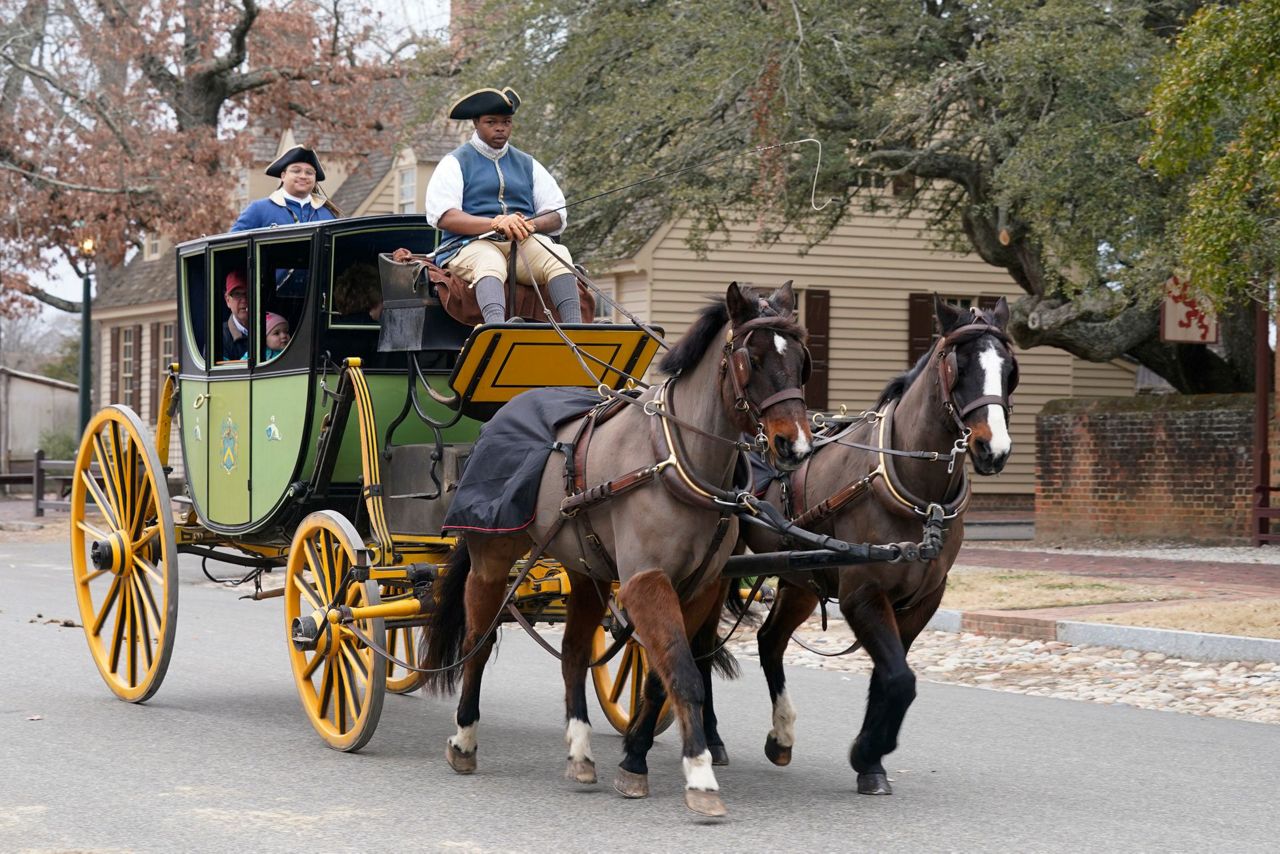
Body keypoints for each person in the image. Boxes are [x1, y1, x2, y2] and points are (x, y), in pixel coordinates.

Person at [424, 86, 582, 325]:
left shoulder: (528, 164)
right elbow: (445, 216)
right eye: (491, 122)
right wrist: (496, 223)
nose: (500, 128)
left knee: (558, 255)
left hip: (522, 243)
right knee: (490, 262)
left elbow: (556, 215)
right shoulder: (454, 162)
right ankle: (496, 328)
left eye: (506, 122)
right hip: (467, 246)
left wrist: (528, 224)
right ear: (476, 123)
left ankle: (576, 329)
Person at [230, 145, 340, 232]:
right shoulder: (258, 210)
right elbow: (231, 248)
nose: (303, 176)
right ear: (283, 176)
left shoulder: (327, 214)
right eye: (296, 171)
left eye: (309, 173)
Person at [222, 269, 250, 361]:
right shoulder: (219, 338)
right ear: (227, 300)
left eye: (249, 293)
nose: (244, 300)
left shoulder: (272, 328)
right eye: (237, 294)